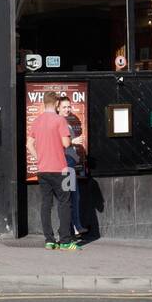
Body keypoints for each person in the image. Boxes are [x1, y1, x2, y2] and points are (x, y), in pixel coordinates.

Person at [27, 91, 77, 250]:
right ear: (56, 104)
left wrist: (39, 157)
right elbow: (66, 144)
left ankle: (49, 240)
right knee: (65, 202)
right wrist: (70, 139)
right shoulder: (60, 120)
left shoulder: (36, 121)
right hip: (60, 169)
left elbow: (29, 144)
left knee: (46, 204)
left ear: (43, 103)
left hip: (43, 169)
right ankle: (65, 241)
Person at [57, 96, 88, 239]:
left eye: (69, 106)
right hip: (64, 165)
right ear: (58, 108)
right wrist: (73, 141)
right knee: (68, 198)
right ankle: (69, 229)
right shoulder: (58, 123)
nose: (67, 109)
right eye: (64, 107)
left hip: (70, 164)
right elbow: (59, 145)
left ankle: (75, 226)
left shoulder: (66, 123)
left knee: (74, 196)